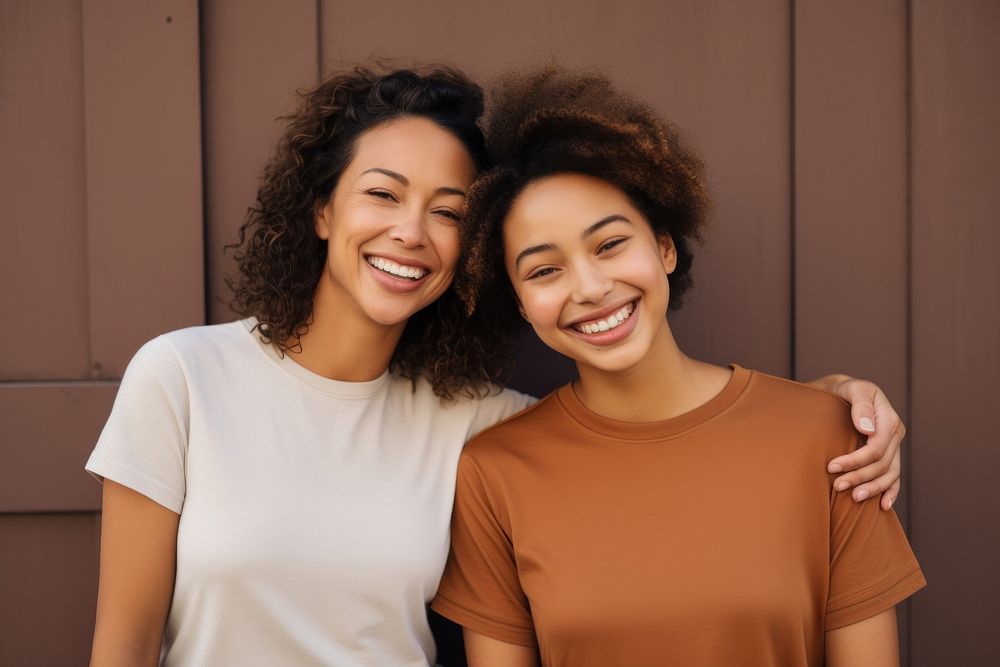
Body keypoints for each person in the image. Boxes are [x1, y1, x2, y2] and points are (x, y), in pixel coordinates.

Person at [87, 65, 906, 666]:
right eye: (383, 194)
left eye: (446, 212)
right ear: (323, 209)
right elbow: (121, 644)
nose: (412, 231)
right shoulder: (183, 376)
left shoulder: (480, 423)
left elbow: (650, 433)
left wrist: (839, 403)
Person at [431, 67, 925, 666]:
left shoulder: (832, 438)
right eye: (543, 270)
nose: (589, 287)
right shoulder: (494, 474)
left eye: (610, 244)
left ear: (664, 246)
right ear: (518, 301)